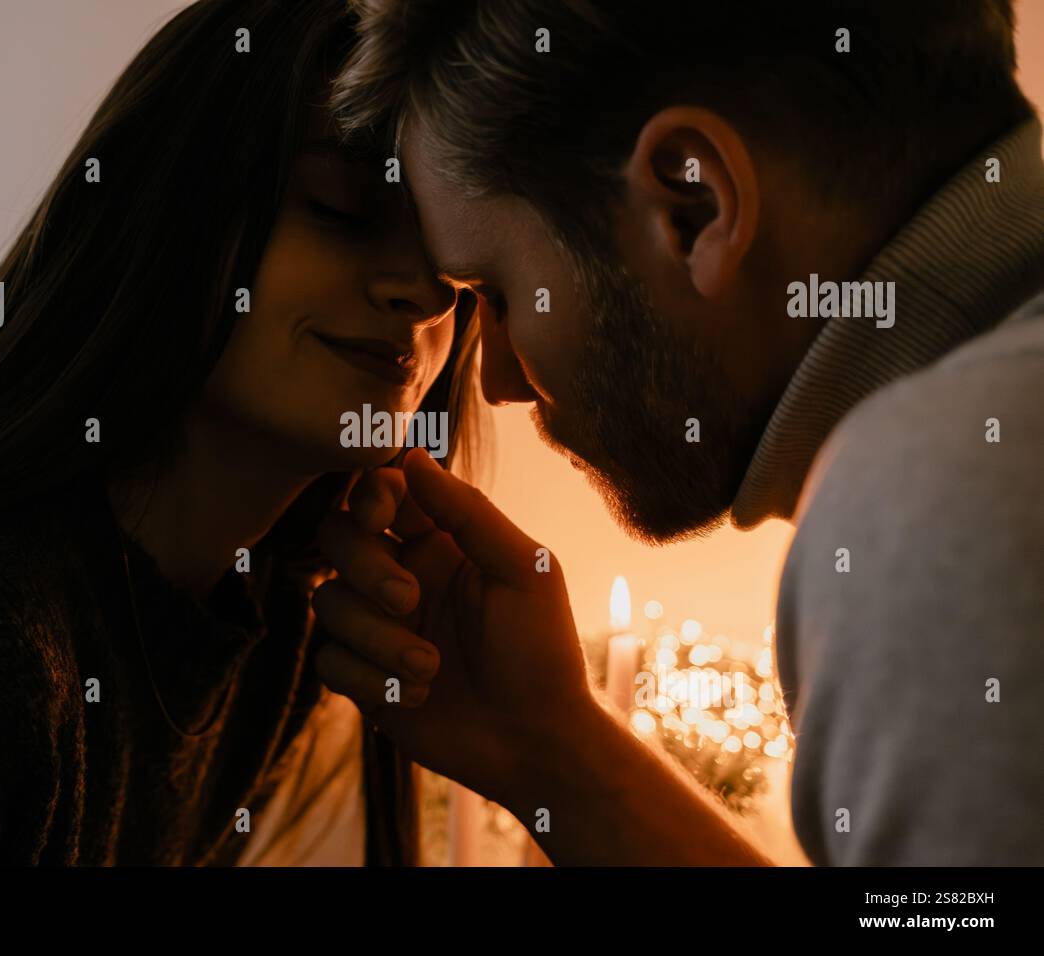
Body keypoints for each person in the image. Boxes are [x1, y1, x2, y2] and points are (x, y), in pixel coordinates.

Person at [0, 0, 482, 865]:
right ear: (170, 213)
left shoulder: (279, 622)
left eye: (450, 249)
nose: (426, 295)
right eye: (344, 209)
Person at [312, 0, 1044, 865]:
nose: (498, 382)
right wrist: (551, 751)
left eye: (498, 295)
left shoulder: (940, 498)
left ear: (694, 203)